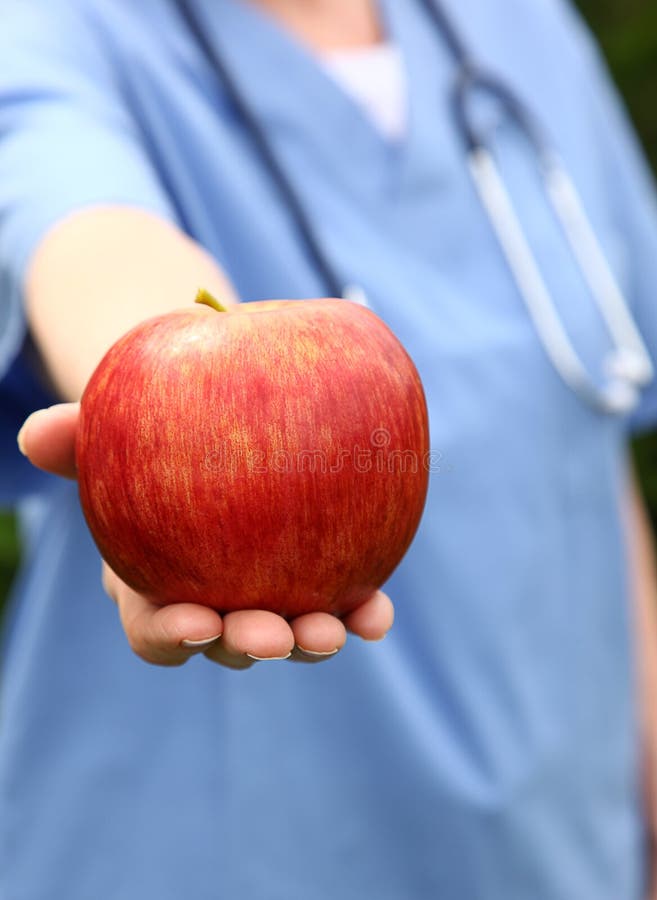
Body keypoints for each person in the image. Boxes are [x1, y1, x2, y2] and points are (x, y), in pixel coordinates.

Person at [1, 0, 657, 897]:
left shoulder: (523, 31)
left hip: (561, 854)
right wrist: (163, 410)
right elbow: (78, 224)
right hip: (210, 858)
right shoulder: (54, 29)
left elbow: (586, 455)